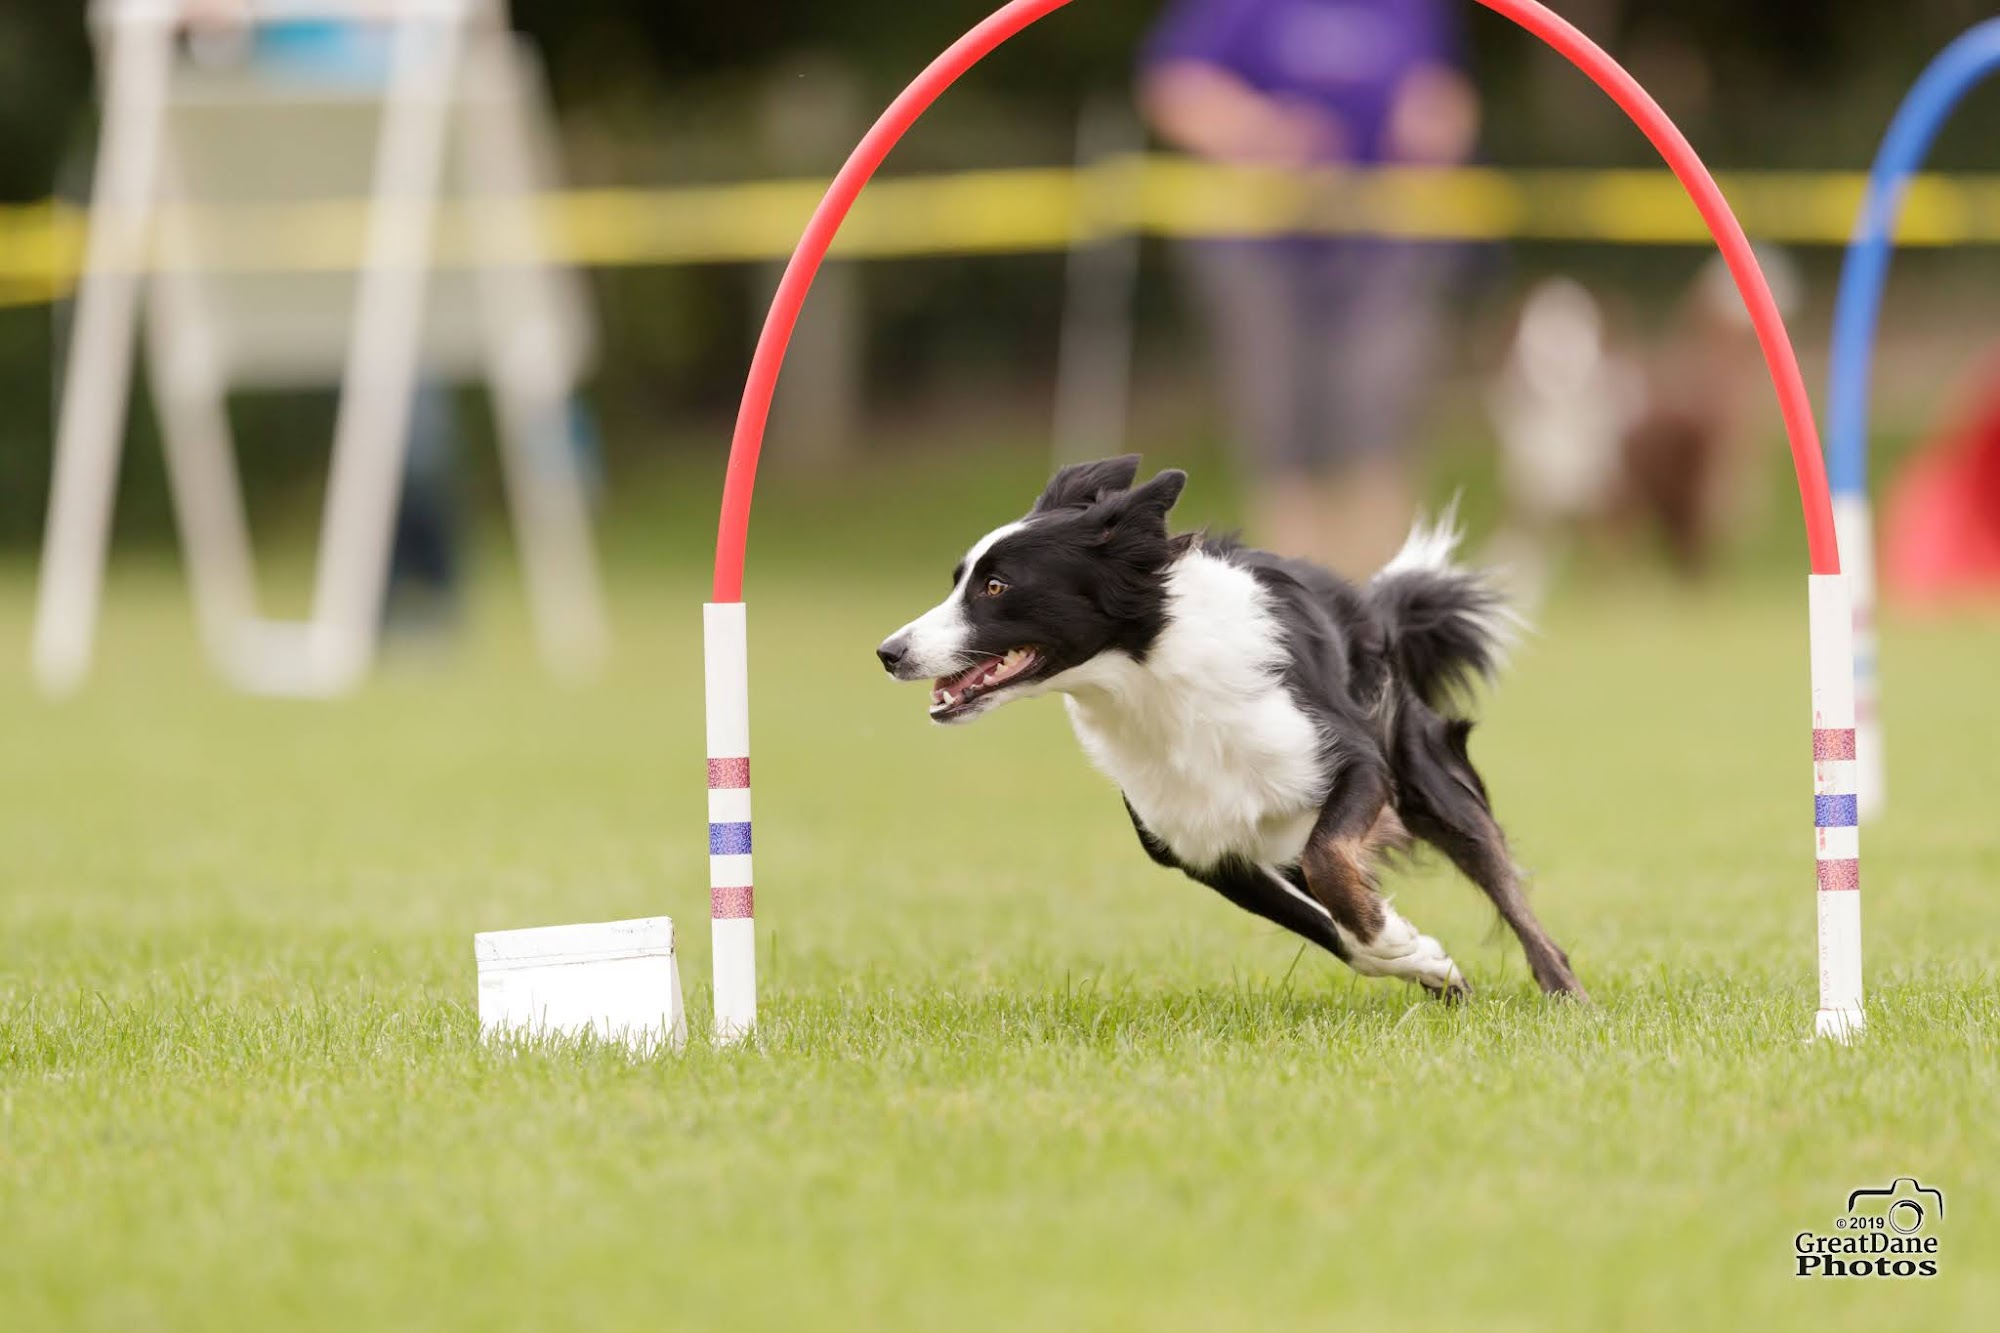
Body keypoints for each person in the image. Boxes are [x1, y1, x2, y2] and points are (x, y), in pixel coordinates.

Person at [1139, 0, 1478, 574]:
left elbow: (1443, 90)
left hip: (1382, 240)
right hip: (1258, 246)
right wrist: (1260, 131)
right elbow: (1173, 84)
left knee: (1381, 416)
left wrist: (1434, 128)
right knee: (1280, 426)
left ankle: (1378, 604)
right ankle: (1300, 601)